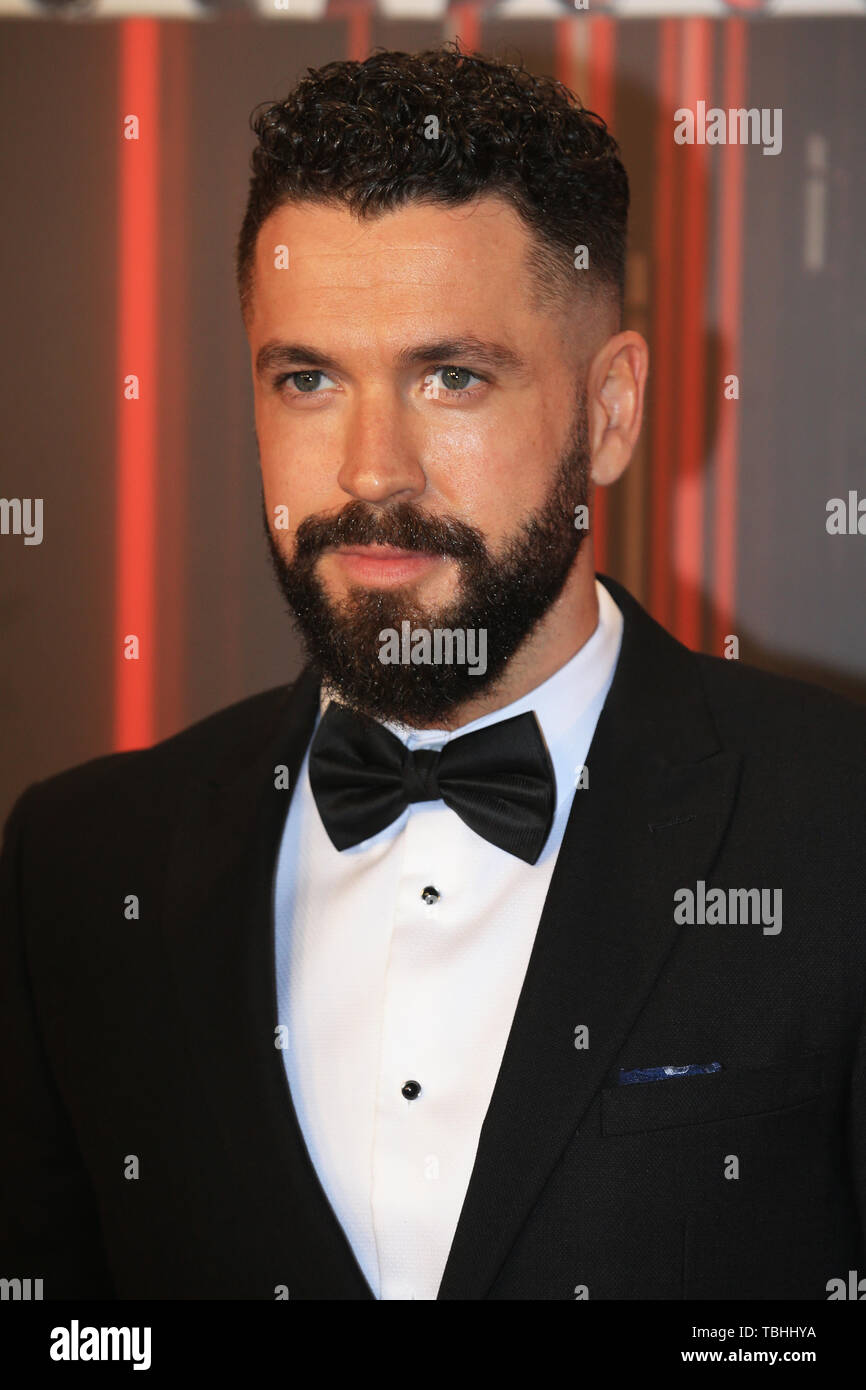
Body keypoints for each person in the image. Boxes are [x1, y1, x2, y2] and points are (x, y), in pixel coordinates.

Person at [1, 44, 864, 1302]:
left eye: (449, 376)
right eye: (306, 379)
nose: (367, 471)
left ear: (609, 411)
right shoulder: (77, 866)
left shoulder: (837, 827)